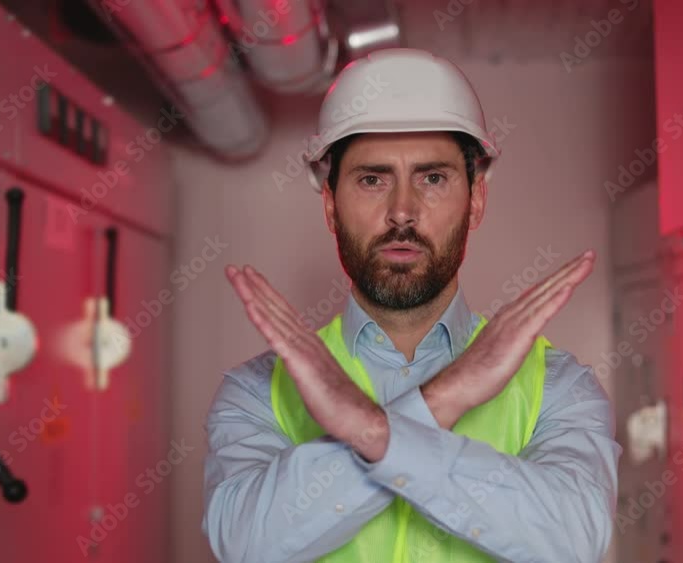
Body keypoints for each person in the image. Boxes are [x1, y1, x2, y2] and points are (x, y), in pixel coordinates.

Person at [201, 48, 621, 563]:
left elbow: (572, 541)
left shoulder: (557, 387)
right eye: (372, 179)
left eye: (433, 178)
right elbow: (246, 545)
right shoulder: (255, 393)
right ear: (331, 205)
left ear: (477, 200)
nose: (402, 211)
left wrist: (372, 429)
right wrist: (443, 401)